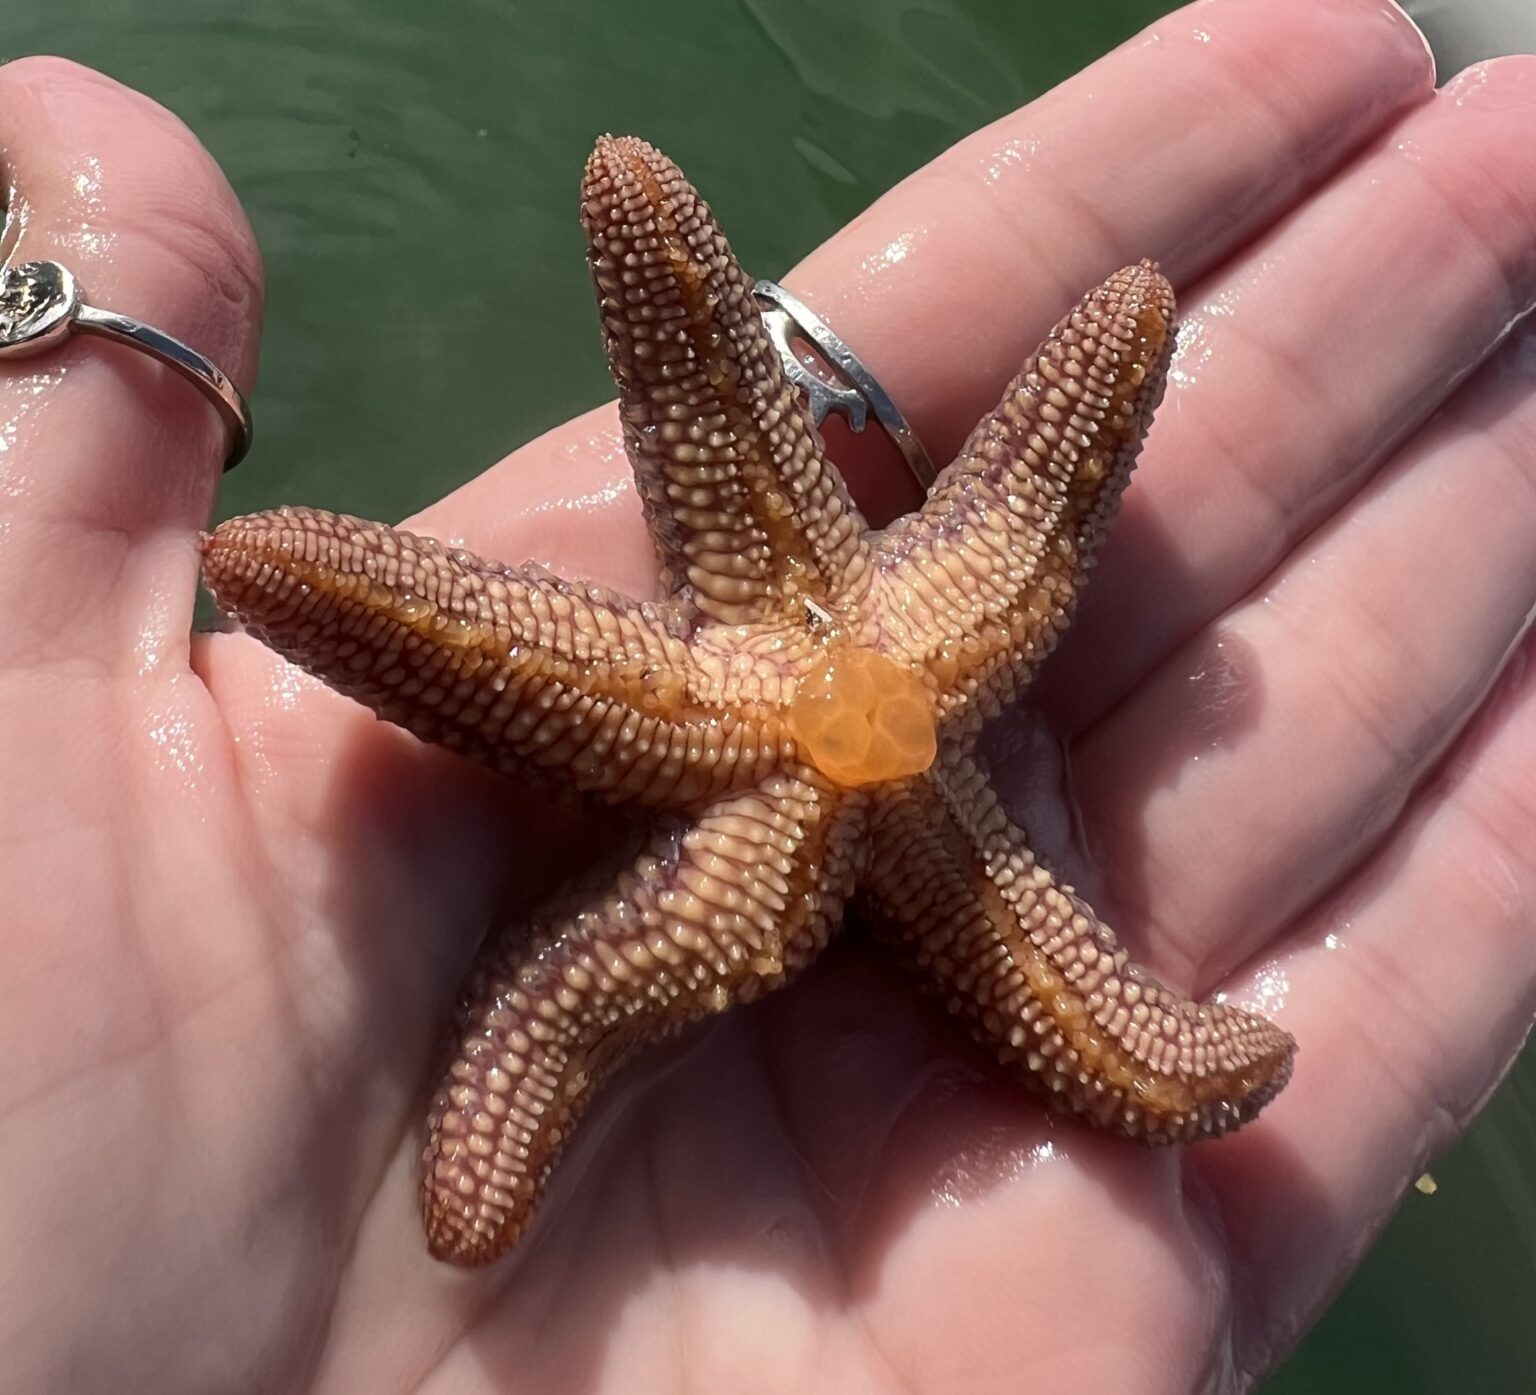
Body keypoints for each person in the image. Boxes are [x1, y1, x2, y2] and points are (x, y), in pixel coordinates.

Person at [1, 1, 1533, 1389]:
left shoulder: (881, 736)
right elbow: (637, 293)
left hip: (869, 765)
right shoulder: (925, 643)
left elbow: (1125, 1022)